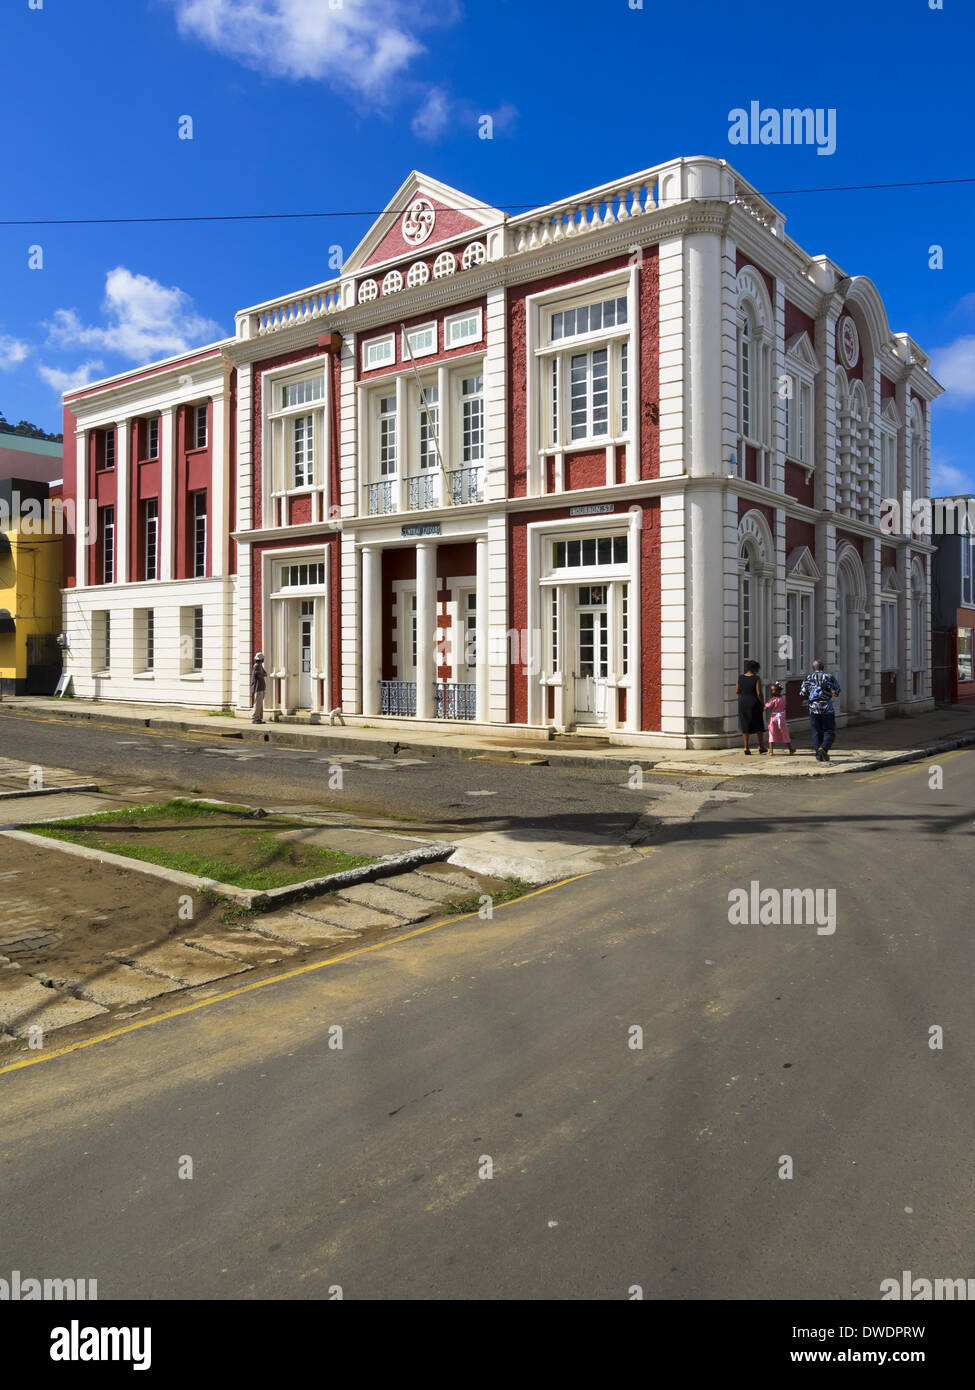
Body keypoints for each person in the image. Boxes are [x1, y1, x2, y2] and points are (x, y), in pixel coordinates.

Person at [799, 659, 841, 762]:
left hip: (813, 708)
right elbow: (837, 690)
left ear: (813, 668)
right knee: (829, 731)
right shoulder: (829, 677)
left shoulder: (808, 678)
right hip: (827, 707)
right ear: (823, 667)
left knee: (816, 732)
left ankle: (819, 756)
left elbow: (802, 693)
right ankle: (824, 747)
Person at [736, 660, 766, 755]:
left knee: (745, 723)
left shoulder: (740, 678)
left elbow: (737, 690)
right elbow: (759, 693)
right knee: (758, 723)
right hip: (754, 701)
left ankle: (746, 747)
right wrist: (762, 703)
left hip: (743, 702)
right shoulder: (756, 678)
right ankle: (761, 746)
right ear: (755, 669)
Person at [764, 683, 794, 756]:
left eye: (773, 690)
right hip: (781, 717)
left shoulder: (772, 699)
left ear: (777, 691)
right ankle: (790, 750)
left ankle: (771, 751)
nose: (771, 691)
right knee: (785, 733)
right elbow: (785, 706)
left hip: (773, 717)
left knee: (772, 733)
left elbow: (766, 707)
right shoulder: (783, 698)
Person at [250, 651, 267, 724]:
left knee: (260, 704)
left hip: (261, 687)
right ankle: (255, 718)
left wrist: (262, 674)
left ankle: (259, 718)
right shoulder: (256, 666)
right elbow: (259, 675)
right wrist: (262, 674)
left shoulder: (260, 666)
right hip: (258, 687)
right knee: (257, 703)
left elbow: (265, 674)